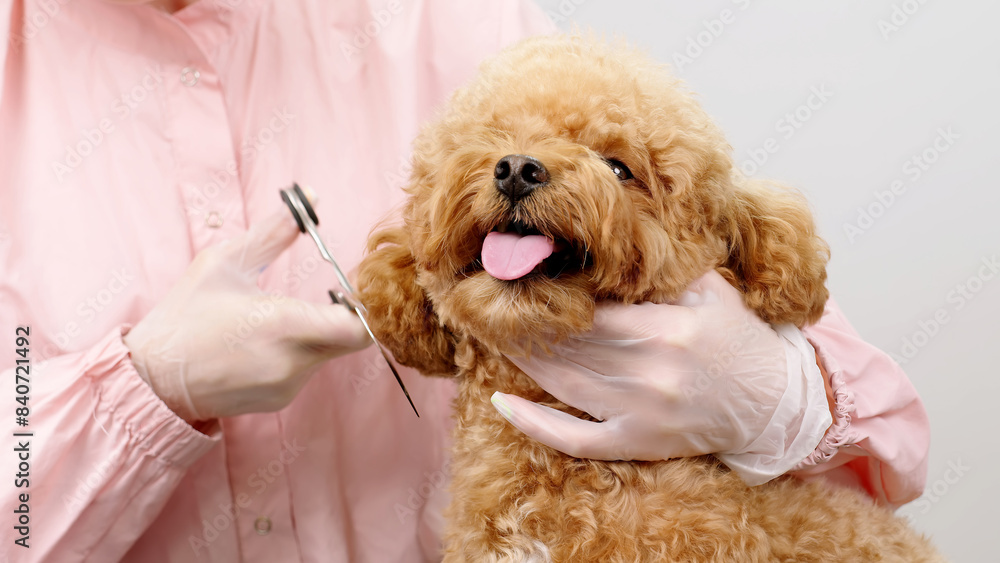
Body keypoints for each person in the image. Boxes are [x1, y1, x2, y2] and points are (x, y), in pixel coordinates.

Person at [0, 0, 929, 561]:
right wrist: (139, 390)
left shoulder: (452, 19)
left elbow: (874, 419)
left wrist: (780, 394)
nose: (522, 174)